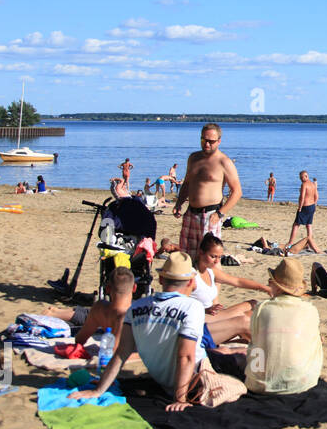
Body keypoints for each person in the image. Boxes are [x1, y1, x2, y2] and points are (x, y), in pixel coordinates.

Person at [68, 253, 247, 411]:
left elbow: (121, 353)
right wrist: (180, 399)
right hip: (195, 379)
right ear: (191, 282)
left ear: (161, 279)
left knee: (225, 352)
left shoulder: (136, 307)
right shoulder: (192, 307)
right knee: (242, 362)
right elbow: (186, 357)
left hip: (162, 379)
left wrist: (99, 390)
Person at [246, 259, 323, 395]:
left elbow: (254, 344)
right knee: (315, 342)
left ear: (277, 286)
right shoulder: (310, 310)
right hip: (301, 384)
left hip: (259, 385)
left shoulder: (262, 308)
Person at [173, 123, 242, 259]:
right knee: (186, 257)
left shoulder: (224, 162)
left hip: (210, 215)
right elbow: (187, 183)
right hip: (191, 213)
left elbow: (237, 192)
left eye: (211, 141)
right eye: (204, 140)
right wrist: (178, 203)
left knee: (208, 259)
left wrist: (220, 213)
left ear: (219, 141)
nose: (207, 144)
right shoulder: (193, 158)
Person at [194, 233, 272, 322]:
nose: (217, 261)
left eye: (219, 257)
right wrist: (205, 310)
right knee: (246, 318)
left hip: (213, 314)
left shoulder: (210, 271)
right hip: (201, 318)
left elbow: (237, 281)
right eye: (213, 257)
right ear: (201, 252)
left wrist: (266, 288)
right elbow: (179, 303)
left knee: (253, 304)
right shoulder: (192, 275)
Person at [285, 171, 320, 254]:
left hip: (305, 206)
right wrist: (314, 204)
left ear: (306, 176)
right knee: (308, 225)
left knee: (296, 224)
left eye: (302, 178)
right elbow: (316, 196)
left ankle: (290, 243)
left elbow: (302, 197)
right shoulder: (313, 184)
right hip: (311, 206)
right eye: (300, 178)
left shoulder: (304, 185)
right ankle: (309, 242)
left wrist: (300, 207)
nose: (301, 179)